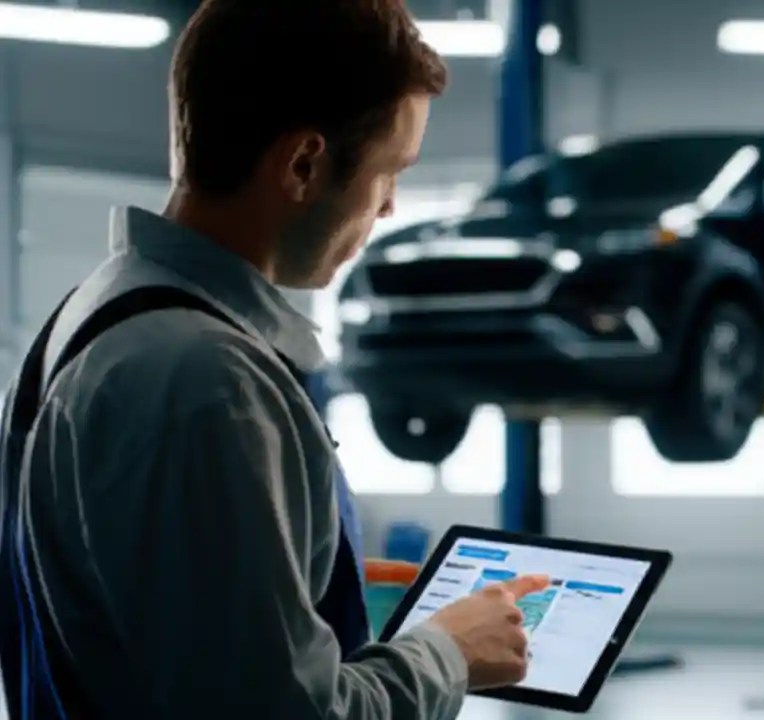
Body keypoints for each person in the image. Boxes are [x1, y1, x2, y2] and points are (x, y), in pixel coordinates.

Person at [0, 1, 547, 717]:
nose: (387, 209)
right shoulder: (203, 379)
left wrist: (303, 575)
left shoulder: (95, 314)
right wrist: (447, 652)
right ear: (303, 163)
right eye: (391, 171)